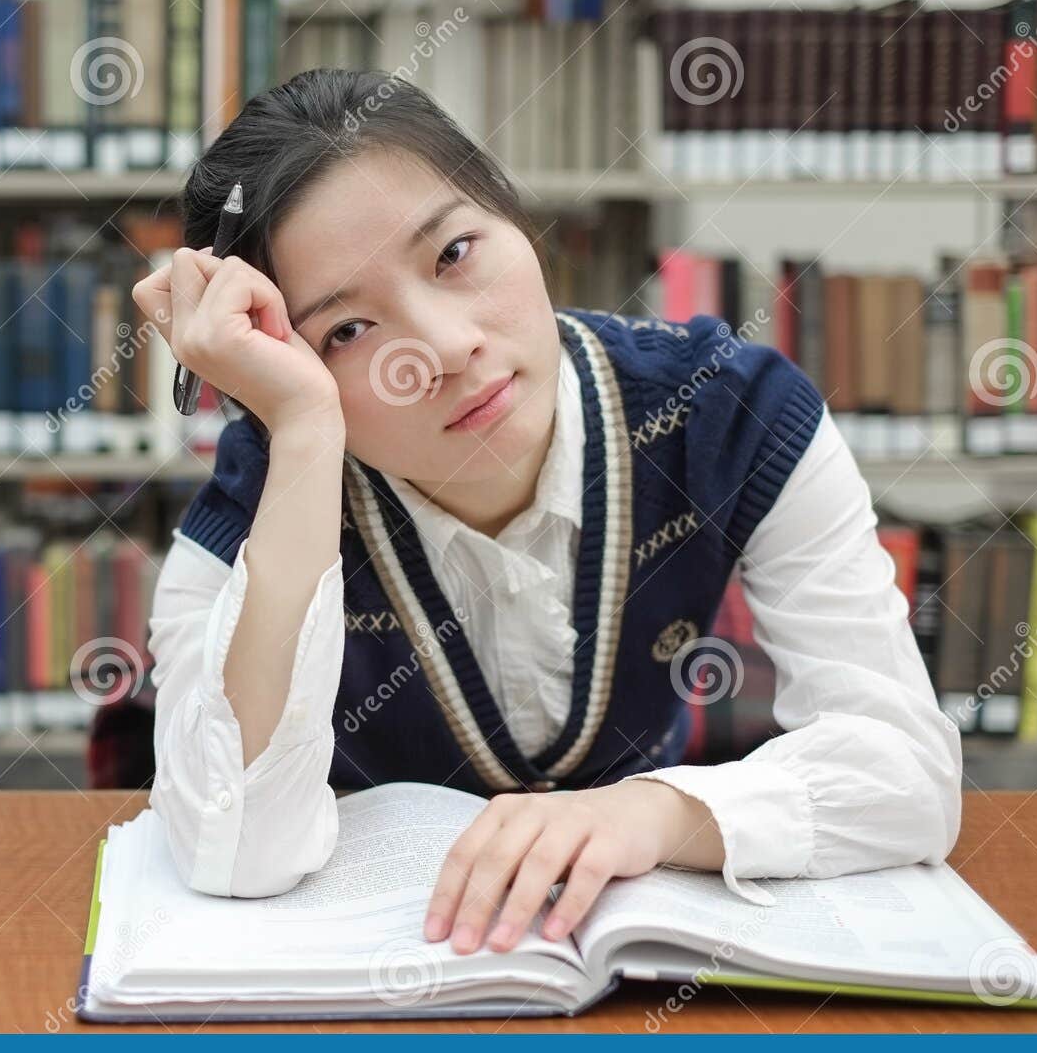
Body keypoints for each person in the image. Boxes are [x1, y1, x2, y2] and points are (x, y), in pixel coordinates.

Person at [131, 68, 961, 958]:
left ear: (515, 215)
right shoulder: (267, 492)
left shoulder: (727, 412)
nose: (447, 348)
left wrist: (652, 814)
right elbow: (233, 849)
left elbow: (906, 771)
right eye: (346, 331)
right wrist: (300, 433)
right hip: (397, 985)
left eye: (454, 253)